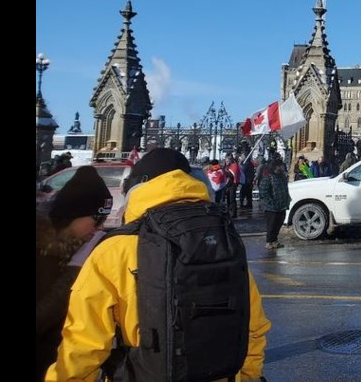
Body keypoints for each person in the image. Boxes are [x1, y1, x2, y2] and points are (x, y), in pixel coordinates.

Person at [45, 148, 271, 381]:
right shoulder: (223, 238)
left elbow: (83, 346)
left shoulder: (115, 249)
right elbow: (253, 325)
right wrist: (249, 375)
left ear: (137, 187)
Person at [36, 166, 113, 382]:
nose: (99, 228)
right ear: (73, 214)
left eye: (104, 221)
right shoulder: (43, 251)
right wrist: (75, 271)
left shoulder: (79, 247)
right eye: (97, 219)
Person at [260, 159, 292, 250]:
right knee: (271, 226)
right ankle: (269, 242)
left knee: (278, 225)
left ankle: (274, 241)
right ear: (277, 166)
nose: (283, 167)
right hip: (272, 208)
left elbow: (285, 190)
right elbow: (263, 192)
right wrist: (271, 202)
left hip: (282, 206)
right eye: (281, 165)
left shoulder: (282, 177)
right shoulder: (268, 177)